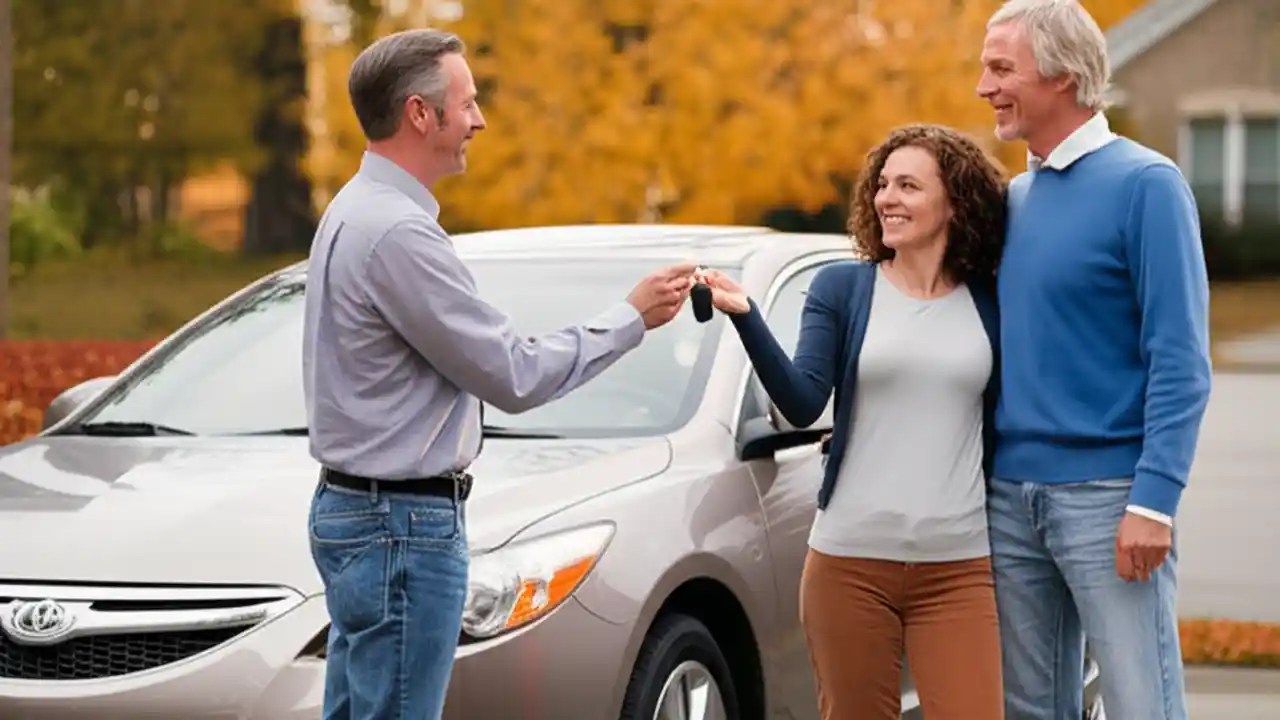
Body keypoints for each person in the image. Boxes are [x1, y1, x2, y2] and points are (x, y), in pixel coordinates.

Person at [300, 29, 695, 720]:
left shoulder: (353, 211)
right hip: (401, 526)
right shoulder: (398, 232)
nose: (479, 121)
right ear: (421, 115)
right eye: (468, 102)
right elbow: (512, 374)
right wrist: (630, 318)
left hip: (364, 515)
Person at [697, 124, 1008, 719]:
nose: (887, 198)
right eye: (883, 184)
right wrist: (746, 317)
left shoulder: (989, 300)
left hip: (960, 568)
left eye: (909, 186)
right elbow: (801, 402)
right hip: (850, 565)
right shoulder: (844, 288)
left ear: (955, 201)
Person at [975, 1, 1213, 718]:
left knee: (1142, 704)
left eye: (1000, 68)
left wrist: (1154, 501)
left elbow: (1179, 358)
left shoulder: (1147, 185)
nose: (984, 87)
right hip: (1010, 500)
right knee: (1032, 709)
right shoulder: (1013, 198)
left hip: (1111, 500)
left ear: (1063, 74)